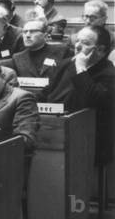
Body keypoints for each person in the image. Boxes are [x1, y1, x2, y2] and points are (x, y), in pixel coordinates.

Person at [39, 26, 115, 166]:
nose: (78, 46)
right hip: (54, 133)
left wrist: (81, 68)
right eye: (77, 41)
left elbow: (93, 99)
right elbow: (48, 93)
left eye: (85, 43)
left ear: (101, 50)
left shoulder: (109, 73)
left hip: (88, 144)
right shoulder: (66, 64)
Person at [4, 18, 72, 90]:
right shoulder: (17, 58)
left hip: (55, 98)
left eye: (33, 32)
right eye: (25, 32)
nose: (27, 35)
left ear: (45, 36)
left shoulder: (62, 51)